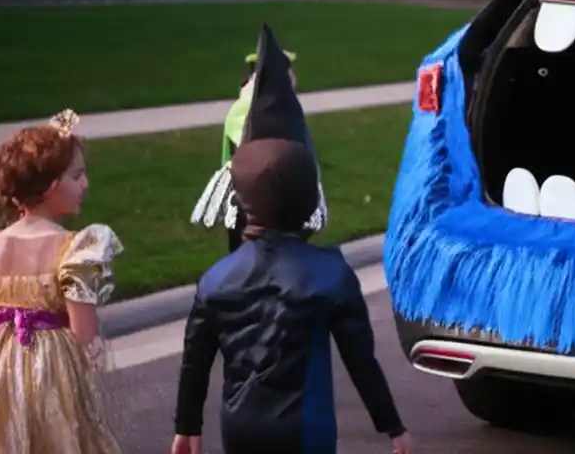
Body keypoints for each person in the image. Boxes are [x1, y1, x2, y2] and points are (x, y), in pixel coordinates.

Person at [171, 25, 412, 454]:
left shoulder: (213, 280)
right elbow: (360, 360)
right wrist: (392, 426)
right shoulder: (329, 275)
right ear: (308, 197)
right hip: (306, 431)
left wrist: (187, 424)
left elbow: (196, 361)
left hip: (238, 429)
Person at [0, 109, 125, 453]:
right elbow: (83, 336)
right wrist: (90, 364)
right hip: (49, 374)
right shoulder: (73, 249)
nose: (85, 184)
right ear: (49, 186)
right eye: (77, 176)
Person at [192, 39, 327, 253]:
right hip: (253, 204)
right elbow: (259, 154)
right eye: (289, 71)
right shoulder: (248, 107)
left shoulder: (273, 105)